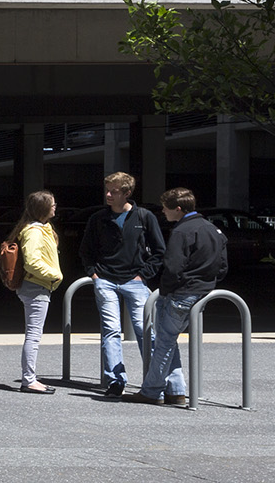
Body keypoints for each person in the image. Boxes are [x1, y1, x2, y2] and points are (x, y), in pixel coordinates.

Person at [136, 187, 228, 408]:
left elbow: (173, 267)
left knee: (164, 343)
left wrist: (165, 291)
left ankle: (152, 391)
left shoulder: (181, 231)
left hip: (180, 293)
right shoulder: (213, 229)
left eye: (165, 208)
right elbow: (222, 266)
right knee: (169, 341)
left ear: (178, 209)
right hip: (202, 292)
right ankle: (176, 390)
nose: (163, 212)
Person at [78, 171, 164, 397]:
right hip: (105, 280)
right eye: (107, 190)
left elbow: (159, 251)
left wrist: (143, 275)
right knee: (111, 330)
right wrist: (94, 274)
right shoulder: (98, 218)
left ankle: (154, 382)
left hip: (135, 281)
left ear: (127, 193)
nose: (108, 195)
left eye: (113, 192)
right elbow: (86, 250)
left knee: (145, 331)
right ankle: (116, 381)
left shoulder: (144, 217)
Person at [8, 191, 63, 394]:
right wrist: (55, 275)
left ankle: (30, 379)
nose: (55, 207)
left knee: (33, 333)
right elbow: (32, 262)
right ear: (42, 208)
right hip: (35, 286)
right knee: (33, 335)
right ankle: (29, 380)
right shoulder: (33, 232)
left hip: (37, 286)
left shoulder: (43, 228)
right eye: (52, 204)